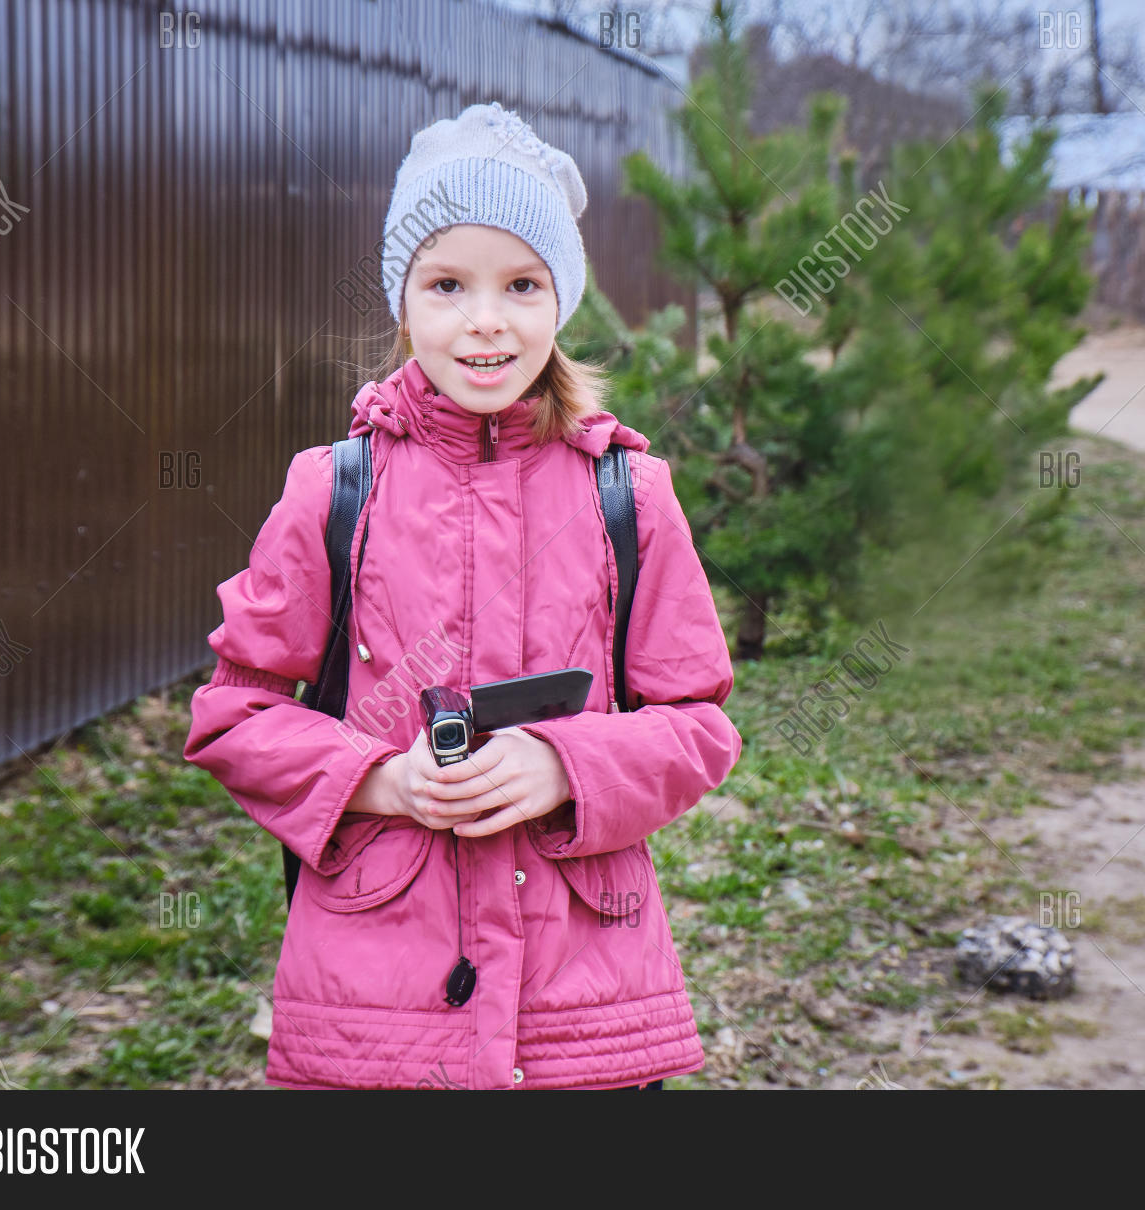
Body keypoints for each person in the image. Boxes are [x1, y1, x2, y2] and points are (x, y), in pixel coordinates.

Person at [183, 101, 743, 1091]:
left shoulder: (631, 495)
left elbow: (697, 724)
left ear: (561, 299)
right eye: (448, 284)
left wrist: (567, 764)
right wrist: (380, 781)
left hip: (586, 1011)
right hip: (376, 1012)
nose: (486, 319)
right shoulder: (333, 490)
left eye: (522, 283)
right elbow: (234, 717)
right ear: (404, 303)